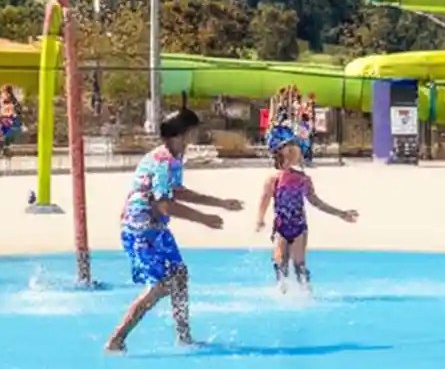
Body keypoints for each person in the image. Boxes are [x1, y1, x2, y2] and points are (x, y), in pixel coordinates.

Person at [106, 109, 244, 352]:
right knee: (159, 285)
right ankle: (116, 339)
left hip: (154, 227)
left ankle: (184, 337)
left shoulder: (174, 157)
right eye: (195, 129)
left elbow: (177, 192)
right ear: (184, 132)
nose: (198, 133)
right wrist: (203, 218)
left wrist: (220, 203)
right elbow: (164, 204)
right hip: (141, 228)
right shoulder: (163, 161)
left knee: (179, 275)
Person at [256, 128, 358, 292]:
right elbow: (265, 199)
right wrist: (259, 219)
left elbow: (316, 202)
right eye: (289, 151)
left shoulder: (303, 179)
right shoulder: (273, 180)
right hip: (281, 227)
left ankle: (306, 292)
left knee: (299, 265)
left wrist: (341, 213)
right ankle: (282, 292)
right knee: (280, 263)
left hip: (299, 227)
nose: (293, 155)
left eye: (294, 151)